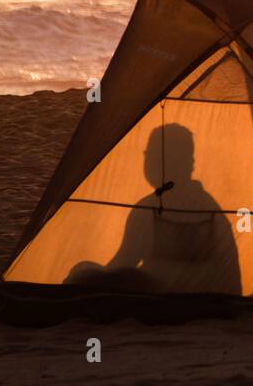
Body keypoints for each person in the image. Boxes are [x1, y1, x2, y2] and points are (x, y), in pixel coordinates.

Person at [65, 123, 241, 295]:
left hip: (165, 302)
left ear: (187, 163)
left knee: (83, 272)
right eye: (148, 155)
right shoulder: (211, 208)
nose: (150, 162)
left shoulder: (148, 209)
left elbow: (124, 262)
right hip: (217, 303)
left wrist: (84, 273)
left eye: (155, 156)